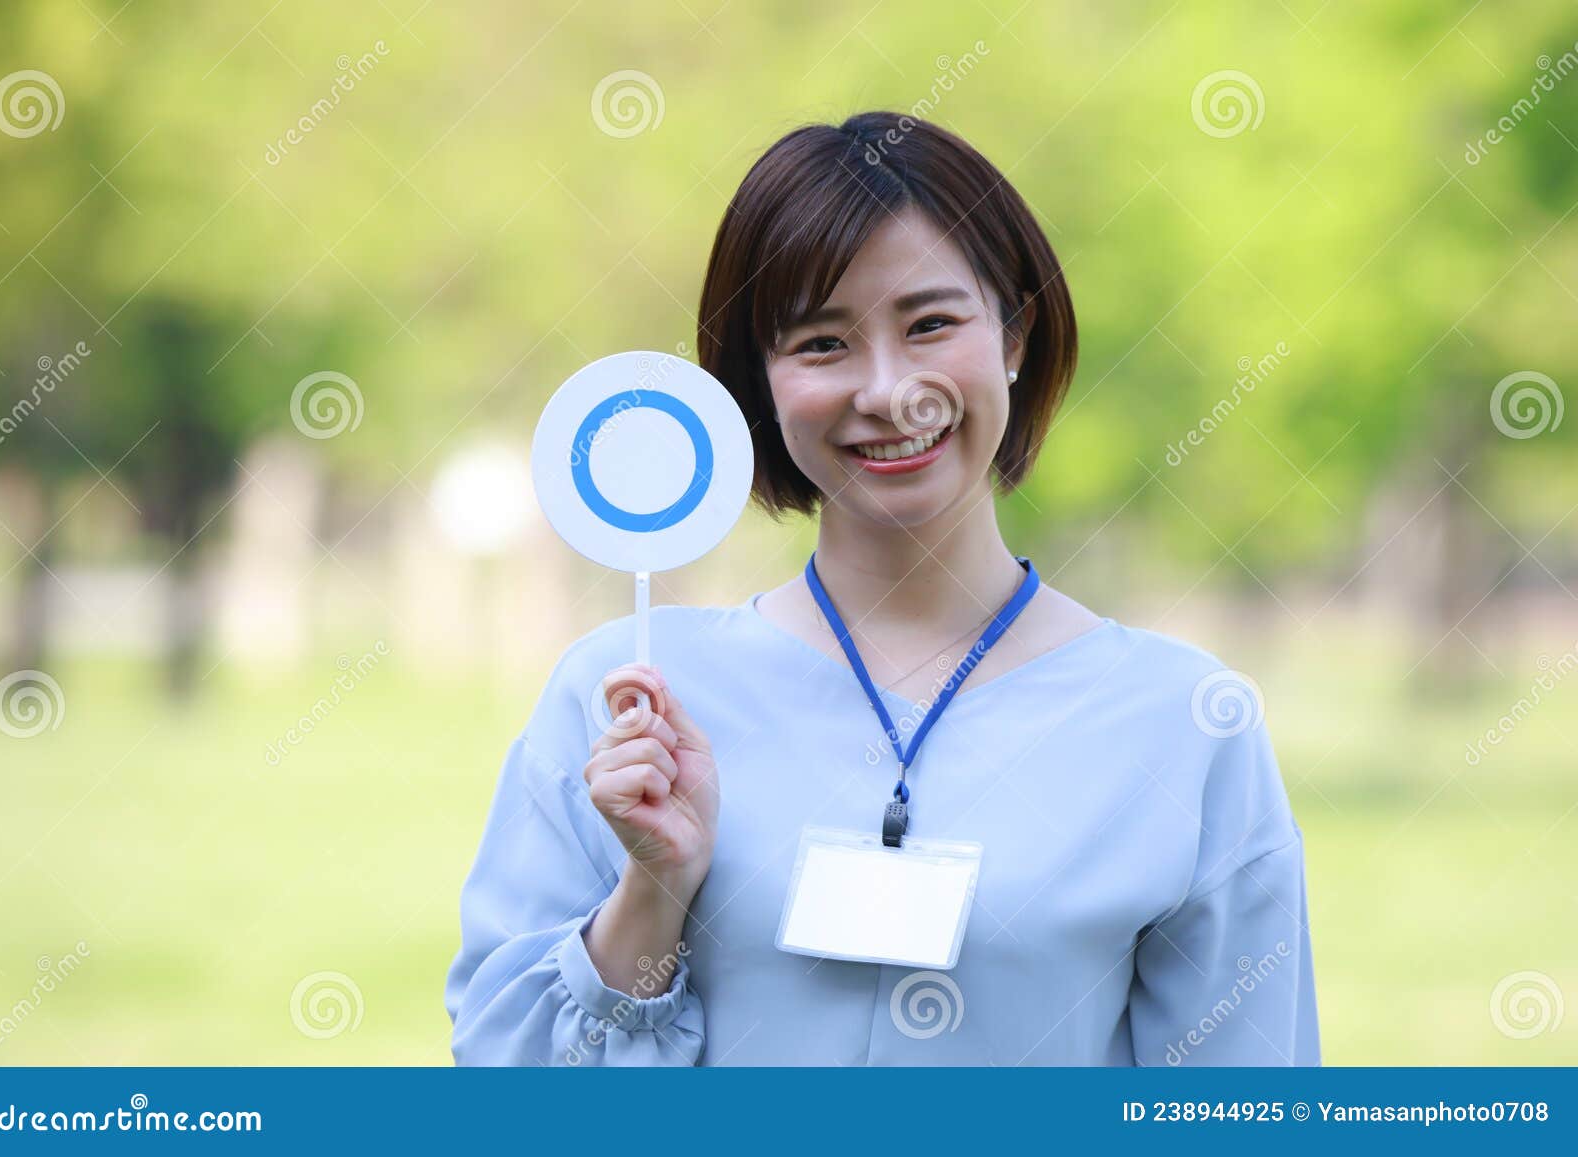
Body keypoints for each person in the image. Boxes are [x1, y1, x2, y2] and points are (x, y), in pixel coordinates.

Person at [444, 110, 1319, 1066]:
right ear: (758, 383)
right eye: (822, 343)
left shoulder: (1184, 723)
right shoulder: (629, 699)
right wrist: (654, 889)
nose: (890, 390)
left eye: (931, 324)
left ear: (1015, 334)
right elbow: (511, 1086)